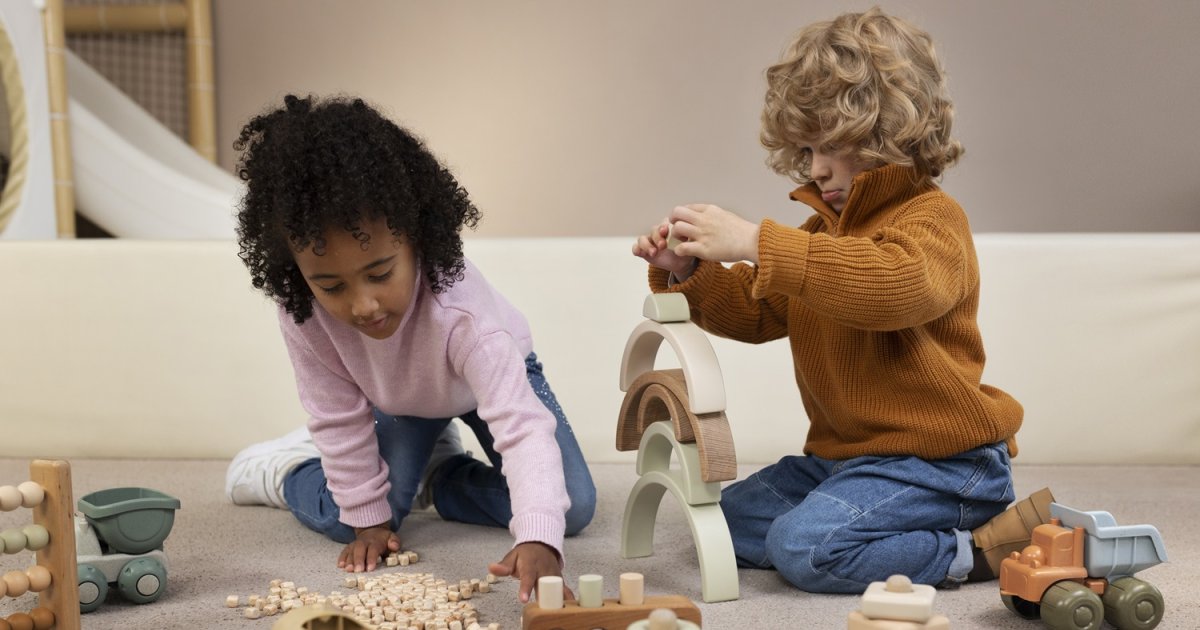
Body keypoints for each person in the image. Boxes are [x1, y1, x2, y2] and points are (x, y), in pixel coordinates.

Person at [632, 7, 1052, 594]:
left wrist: (756, 240)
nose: (816, 169)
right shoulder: (819, 236)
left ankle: (976, 550)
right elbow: (759, 311)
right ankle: (875, 526)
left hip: (942, 463)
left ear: (887, 132)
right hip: (846, 460)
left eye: (831, 146)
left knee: (803, 548)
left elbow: (895, 287)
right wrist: (689, 272)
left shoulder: (934, 219)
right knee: (724, 523)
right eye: (806, 150)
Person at [225, 94, 595, 602]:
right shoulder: (304, 313)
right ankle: (282, 471)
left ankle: (438, 475)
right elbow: (336, 415)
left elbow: (522, 426)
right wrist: (367, 518)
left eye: (380, 273)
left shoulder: (464, 317)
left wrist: (537, 537)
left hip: (490, 384)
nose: (363, 305)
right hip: (398, 401)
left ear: (418, 239)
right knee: (354, 519)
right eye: (331, 285)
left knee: (570, 509)